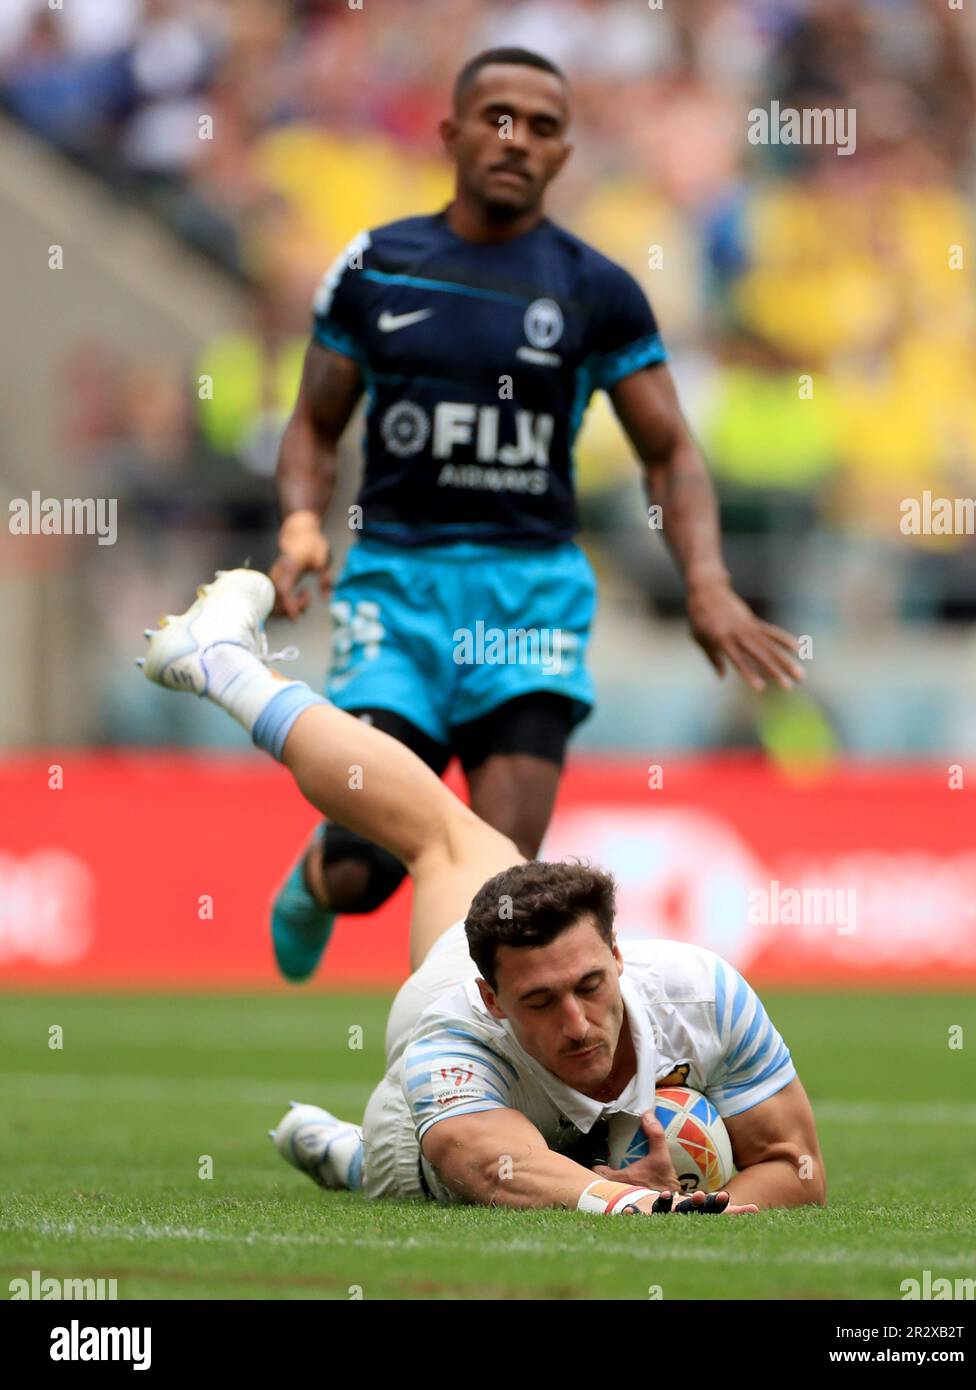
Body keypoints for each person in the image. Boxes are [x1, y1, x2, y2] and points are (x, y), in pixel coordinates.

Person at [267, 46, 804, 984]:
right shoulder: (379, 266)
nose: (519, 140)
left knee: (497, 885)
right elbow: (315, 423)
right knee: (366, 867)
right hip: (398, 585)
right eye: (499, 117)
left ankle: (453, 1083)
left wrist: (708, 583)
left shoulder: (597, 291)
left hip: (528, 598)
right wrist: (301, 523)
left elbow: (670, 452)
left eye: (545, 126)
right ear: (452, 134)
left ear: (565, 153)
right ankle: (318, 877)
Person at [138, 569, 825, 1215]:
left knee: (450, 835)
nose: (579, 1022)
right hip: (424, 1123)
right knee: (400, 1172)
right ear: (492, 998)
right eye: (539, 1000)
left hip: (514, 580)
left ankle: (220, 665)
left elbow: (797, 1167)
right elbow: (492, 1163)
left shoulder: (703, 992)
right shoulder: (453, 1026)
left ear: (618, 955)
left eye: (589, 984)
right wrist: (637, 1204)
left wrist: (713, 1209)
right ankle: (222, 668)